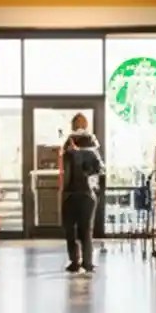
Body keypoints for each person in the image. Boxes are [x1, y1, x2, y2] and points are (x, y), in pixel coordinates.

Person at [60, 113, 103, 273]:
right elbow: (99, 169)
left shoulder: (68, 145)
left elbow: (65, 169)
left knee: (70, 229)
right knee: (86, 230)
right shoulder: (93, 144)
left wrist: (74, 153)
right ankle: (87, 262)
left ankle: (74, 261)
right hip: (87, 193)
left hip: (70, 193)